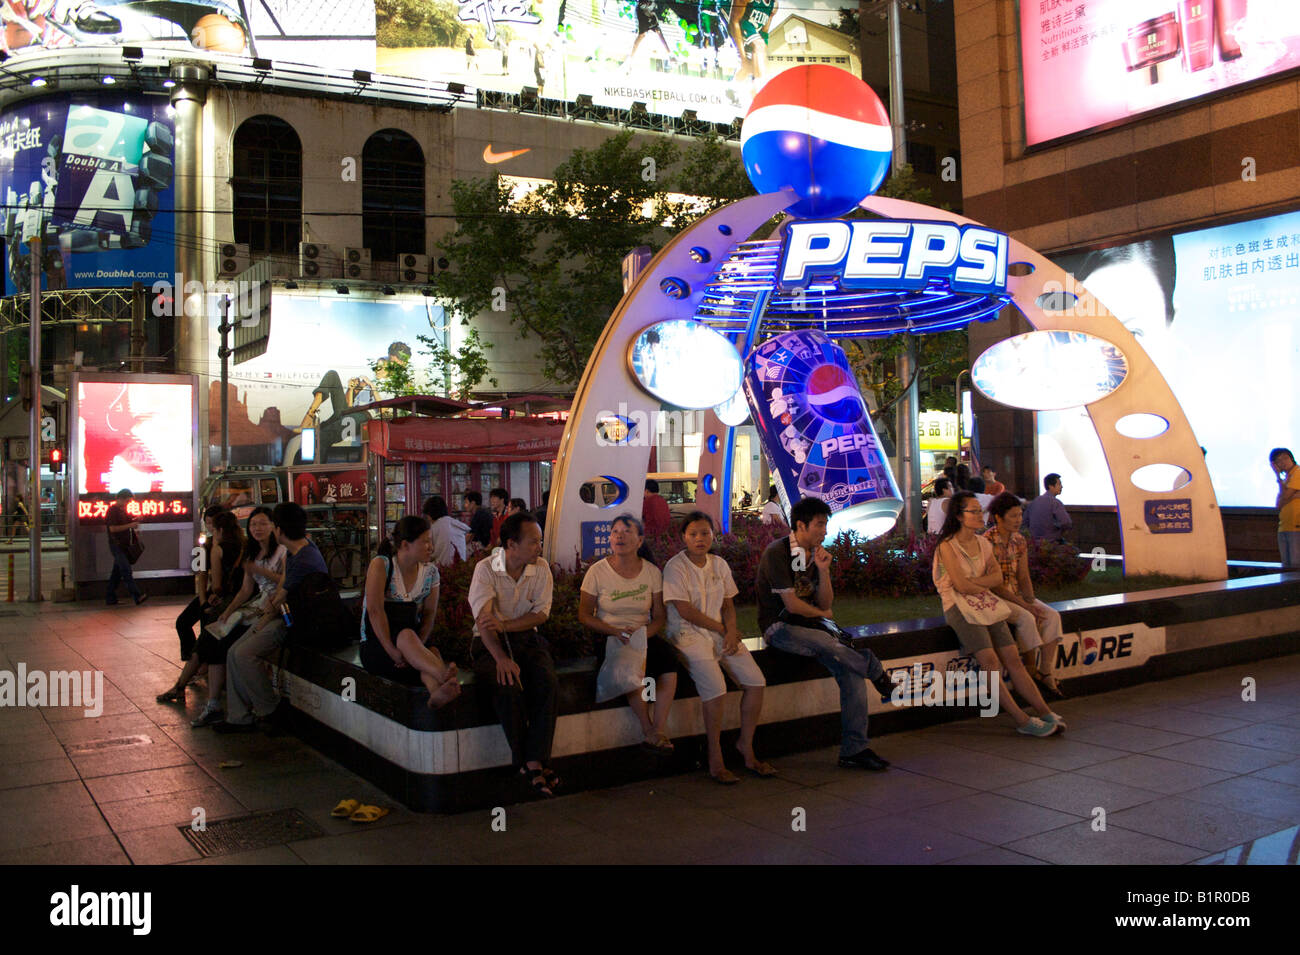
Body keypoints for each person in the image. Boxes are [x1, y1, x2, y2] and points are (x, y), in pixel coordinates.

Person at [756, 497, 896, 770]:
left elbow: (826, 604)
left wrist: (824, 571)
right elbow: (792, 605)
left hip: (811, 629)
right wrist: (823, 616)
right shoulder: (779, 552)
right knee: (827, 642)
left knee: (851, 673)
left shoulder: (815, 555)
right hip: (780, 628)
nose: (825, 531)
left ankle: (854, 750)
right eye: (820, 525)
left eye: (825, 524)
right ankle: (874, 668)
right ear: (800, 525)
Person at [933, 491, 1064, 737]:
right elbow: (960, 587)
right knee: (991, 662)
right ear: (960, 517)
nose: (979, 515)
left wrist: (976, 582)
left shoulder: (983, 544)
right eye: (973, 511)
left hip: (988, 605)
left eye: (978, 510)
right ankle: (1022, 719)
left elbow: (997, 578)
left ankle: (1044, 711)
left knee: (1012, 658)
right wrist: (981, 582)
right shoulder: (947, 546)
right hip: (959, 608)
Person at [664, 511, 773, 783]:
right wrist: (723, 629)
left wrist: (732, 630)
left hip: (719, 633)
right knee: (716, 689)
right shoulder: (675, 567)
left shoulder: (719, 564)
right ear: (683, 538)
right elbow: (685, 610)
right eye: (693, 534)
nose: (700, 539)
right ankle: (715, 756)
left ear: (713, 535)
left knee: (755, 681)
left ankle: (745, 746)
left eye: (705, 533)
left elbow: (728, 603)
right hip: (687, 635)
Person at [163, 507, 286, 726]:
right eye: (254, 524)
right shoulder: (244, 545)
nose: (209, 528)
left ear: (217, 528)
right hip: (238, 604)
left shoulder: (210, 547)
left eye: (210, 524)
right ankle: (200, 689)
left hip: (225, 601)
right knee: (212, 641)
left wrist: (203, 602)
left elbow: (204, 577)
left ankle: (188, 685)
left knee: (191, 628)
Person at [468, 512, 559, 796]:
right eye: (533, 542)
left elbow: (540, 614)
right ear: (511, 544)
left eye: (540, 541)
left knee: (547, 681)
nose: (539, 548)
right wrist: (501, 658)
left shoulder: (541, 568)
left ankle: (531, 760)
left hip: (524, 638)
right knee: (506, 686)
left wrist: (507, 624)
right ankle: (532, 762)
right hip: (488, 642)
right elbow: (485, 623)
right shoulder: (486, 569)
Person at [214, 503, 327, 733]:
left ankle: (271, 710)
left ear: (279, 529)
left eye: (269, 524)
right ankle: (239, 717)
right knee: (233, 652)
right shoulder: (302, 550)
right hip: (286, 616)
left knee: (243, 653)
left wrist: (258, 627)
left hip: (295, 624)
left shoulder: (299, 558)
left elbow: (277, 603)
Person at [578, 514, 678, 752]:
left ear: (640, 540)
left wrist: (643, 633)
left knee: (669, 663)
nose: (619, 536)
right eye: (615, 532)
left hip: (642, 635)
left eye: (627, 531)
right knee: (630, 669)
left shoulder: (652, 572)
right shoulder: (597, 572)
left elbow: (660, 617)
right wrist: (615, 631)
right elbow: (584, 615)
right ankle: (648, 729)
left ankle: (659, 728)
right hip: (609, 636)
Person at [358, 515, 461, 709]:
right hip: (379, 645)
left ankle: (436, 691)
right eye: (426, 542)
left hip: (410, 643)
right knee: (409, 639)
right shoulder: (382, 565)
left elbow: (429, 614)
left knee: (430, 651)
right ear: (405, 545)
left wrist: (417, 648)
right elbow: (374, 611)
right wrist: (393, 651)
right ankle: (442, 675)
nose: (431, 546)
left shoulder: (431, 573)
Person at [986, 492, 1065, 699]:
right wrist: (1027, 606)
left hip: (1017, 594)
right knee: (1027, 618)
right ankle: (1029, 674)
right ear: (998, 517)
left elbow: (1024, 576)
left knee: (1051, 616)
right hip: (997, 597)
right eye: (1013, 516)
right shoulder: (987, 541)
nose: (1018, 520)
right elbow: (995, 586)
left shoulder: (1019, 540)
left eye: (1020, 515)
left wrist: (1031, 600)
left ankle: (1046, 671)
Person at [174, 506, 238, 661]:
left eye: (212, 524)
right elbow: (201, 574)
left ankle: (201, 662)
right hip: (211, 595)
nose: (210, 527)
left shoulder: (236, 545)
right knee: (182, 622)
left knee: (206, 630)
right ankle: (192, 657)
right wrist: (203, 601)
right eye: (207, 523)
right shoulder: (204, 547)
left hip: (227, 594)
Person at [105, 489, 147, 606]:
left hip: (123, 546)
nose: (128, 504)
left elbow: (128, 522)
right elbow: (112, 528)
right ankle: (137, 596)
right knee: (126, 570)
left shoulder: (121, 510)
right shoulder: (112, 510)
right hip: (117, 545)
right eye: (128, 501)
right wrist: (131, 525)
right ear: (121, 498)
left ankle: (110, 597)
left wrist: (136, 520)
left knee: (117, 573)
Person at [1271, 448, 1300, 569]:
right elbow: (1279, 503)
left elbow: (1285, 496)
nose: (1283, 462)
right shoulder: (1287, 477)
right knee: (1287, 569)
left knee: (1295, 569)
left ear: (1291, 458)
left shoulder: (1297, 472)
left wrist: (1289, 496)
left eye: (1285, 458)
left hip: (1295, 526)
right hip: (1285, 525)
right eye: (1278, 461)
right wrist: (1278, 476)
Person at [1023, 473, 1072, 542]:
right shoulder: (1055, 502)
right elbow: (1066, 523)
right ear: (1051, 486)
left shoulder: (1034, 502)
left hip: (1034, 544)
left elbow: (1024, 522)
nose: (1062, 487)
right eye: (1059, 484)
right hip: (1052, 543)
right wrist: (1060, 532)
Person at [424, 495, 469, 566]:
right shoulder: (455, 523)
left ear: (430, 515)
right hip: (461, 568)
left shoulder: (435, 527)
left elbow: (429, 554)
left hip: (443, 570)